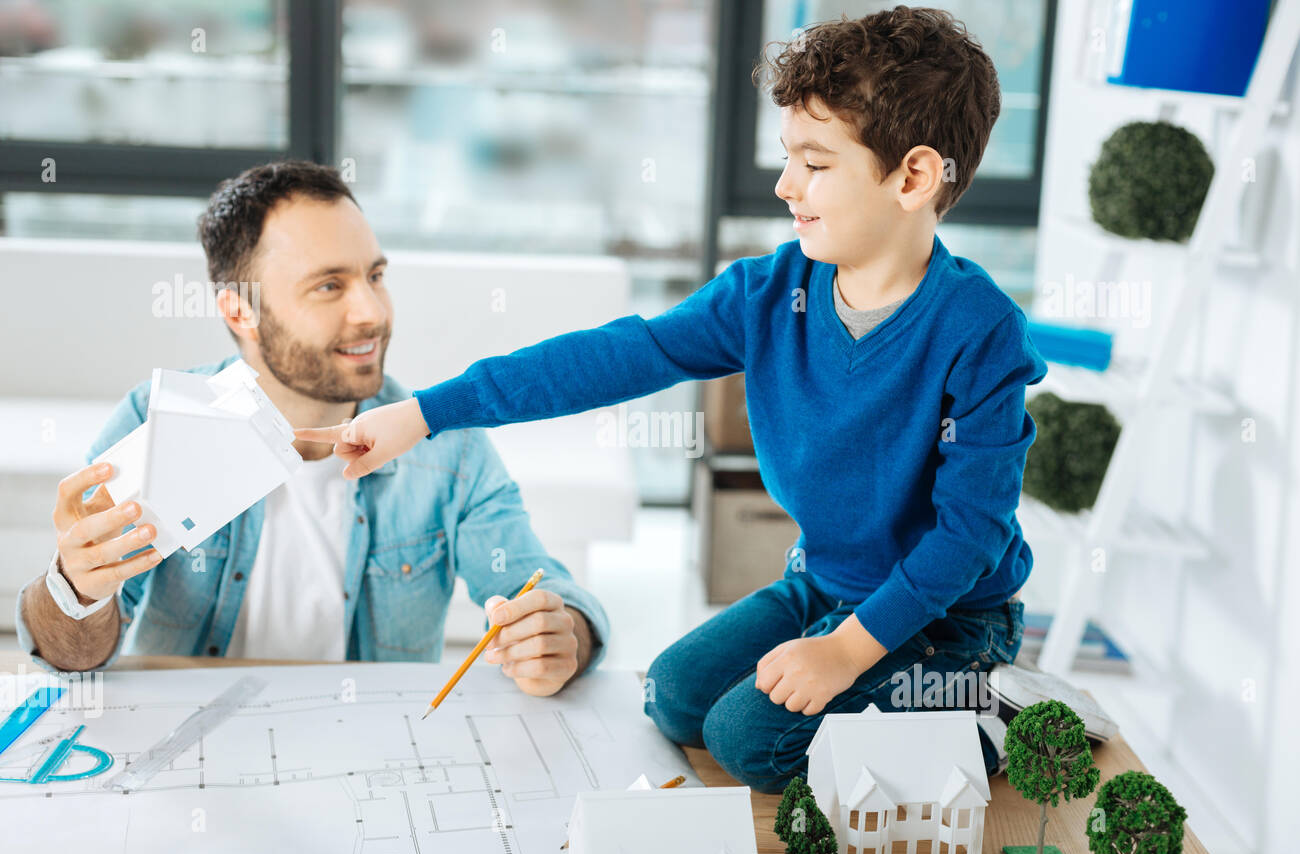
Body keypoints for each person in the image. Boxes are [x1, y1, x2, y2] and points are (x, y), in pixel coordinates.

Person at [297, 9, 1048, 791]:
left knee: (748, 742)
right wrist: (421, 413)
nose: (786, 186)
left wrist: (847, 651)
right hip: (826, 583)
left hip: (950, 614)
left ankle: (994, 714)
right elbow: (611, 358)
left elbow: (970, 536)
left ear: (914, 177)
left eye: (816, 164)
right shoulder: (768, 294)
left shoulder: (981, 329)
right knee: (673, 696)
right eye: (787, 158)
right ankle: (851, 663)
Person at [17, 160, 608, 695]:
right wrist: (76, 591)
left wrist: (561, 634)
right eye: (329, 285)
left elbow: (542, 587)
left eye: (375, 276)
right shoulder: (152, 421)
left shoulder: (446, 444)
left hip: (369, 754)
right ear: (240, 310)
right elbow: (75, 662)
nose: (372, 313)